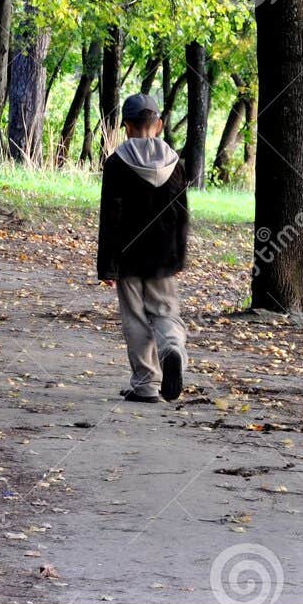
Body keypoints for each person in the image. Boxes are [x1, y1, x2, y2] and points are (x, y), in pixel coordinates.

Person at [96, 92, 190, 403]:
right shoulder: (175, 163)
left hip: (128, 254)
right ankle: (173, 348)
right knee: (165, 313)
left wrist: (107, 265)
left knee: (135, 318)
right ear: (160, 125)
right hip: (163, 254)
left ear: (126, 127)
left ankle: (146, 385)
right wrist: (179, 256)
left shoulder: (117, 163)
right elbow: (181, 216)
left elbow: (110, 217)